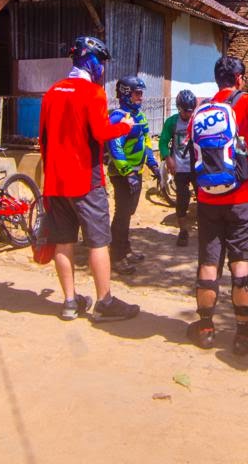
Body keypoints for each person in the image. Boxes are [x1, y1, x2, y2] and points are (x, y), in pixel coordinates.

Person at [38, 36, 140, 323]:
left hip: (55, 181)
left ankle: (70, 302)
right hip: (86, 180)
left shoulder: (52, 92)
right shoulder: (93, 93)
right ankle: (104, 302)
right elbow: (100, 133)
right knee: (97, 242)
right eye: (102, 62)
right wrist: (124, 125)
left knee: (63, 242)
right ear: (92, 61)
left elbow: (42, 139)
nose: (103, 68)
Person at [185, 56, 248, 355]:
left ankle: (206, 329)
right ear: (238, 78)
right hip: (241, 197)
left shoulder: (202, 109)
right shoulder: (246, 101)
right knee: (241, 263)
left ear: (216, 80)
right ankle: (243, 334)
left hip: (208, 198)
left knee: (208, 263)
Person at [105, 76, 160, 275]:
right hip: (121, 174)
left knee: (128, 213)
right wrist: (127, 172)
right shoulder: (119, 117)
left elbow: (146, 140)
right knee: (122, 214)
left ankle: (125, 248)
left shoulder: (139, 115)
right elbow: (114, 145)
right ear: (127, 94)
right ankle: (116, 256)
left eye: (141, 94)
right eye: (138, 93)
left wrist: (153, 164)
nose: (141, 97)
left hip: (135, 172)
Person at [160, 89, 198, 247]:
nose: (188, 115)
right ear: (179, 108)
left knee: (203, 197)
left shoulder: (197, 120)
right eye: (185, 111)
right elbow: (163, 141)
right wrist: (168, 158)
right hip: (180, 167)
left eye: (191, 111)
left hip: (197, 166)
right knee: (182, 199)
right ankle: (183, 231)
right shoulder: (172, 122)